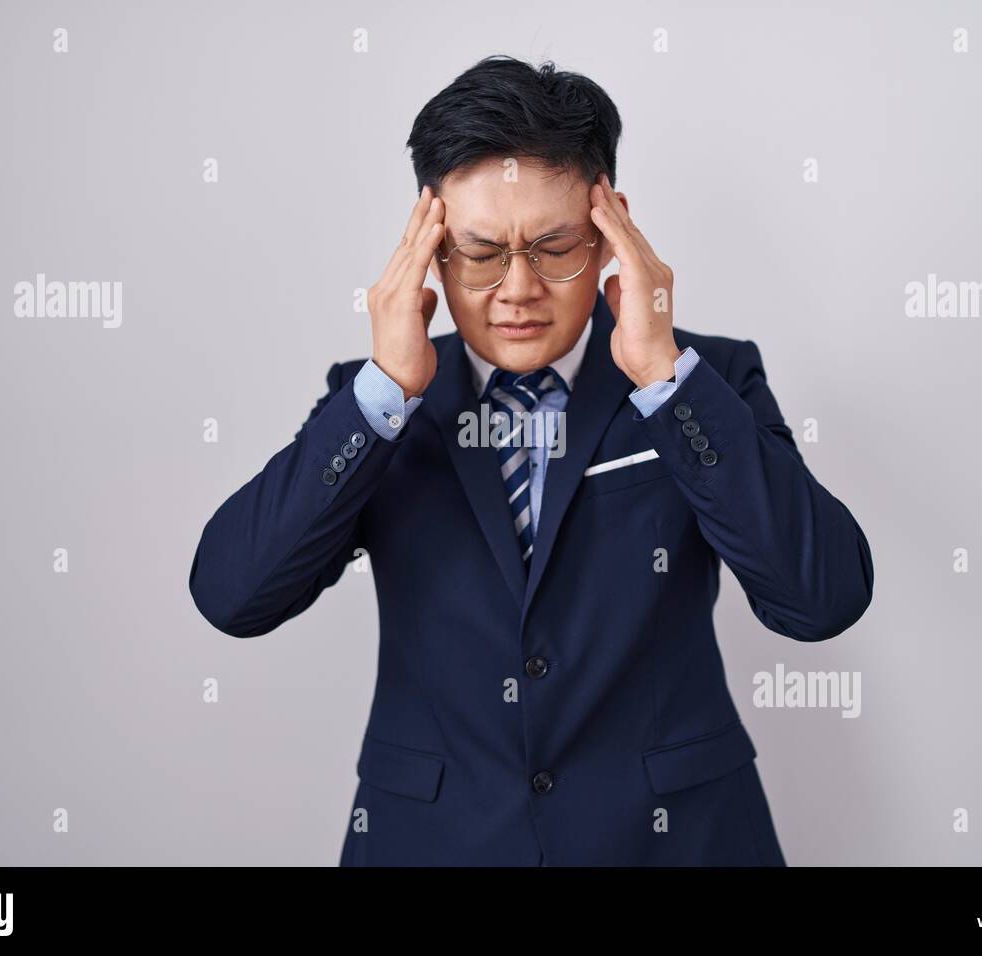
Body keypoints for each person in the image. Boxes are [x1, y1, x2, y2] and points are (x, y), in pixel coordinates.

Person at [188, 54, 874, 866]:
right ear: (431, 247)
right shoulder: (373, 406)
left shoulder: (708, 382)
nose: (518, 288)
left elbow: (821, 598)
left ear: (611, 226)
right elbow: (232, 595)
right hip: (435, 843)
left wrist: (664, 378)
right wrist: (384, 392)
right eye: (480, 252)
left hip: (673, 845)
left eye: (556, 248)